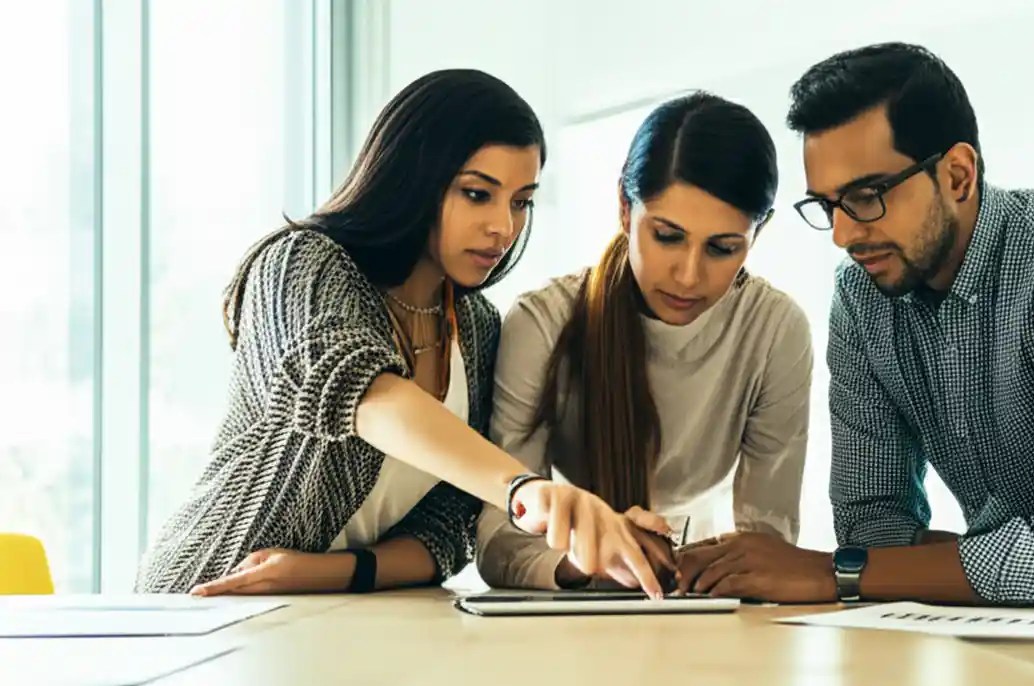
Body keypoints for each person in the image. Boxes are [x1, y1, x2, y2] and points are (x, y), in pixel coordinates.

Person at [677, 43, 1034, 605]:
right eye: (828, 205)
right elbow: (873, 526)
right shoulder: (862, 296)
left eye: (866, 195)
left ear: (958, 175)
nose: (843, 234)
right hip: (1029, 619)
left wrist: (831, 574)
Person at [136, 69, 664, 598]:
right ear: (412, 176)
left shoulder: (477, 327)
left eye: (521, 201)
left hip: (326, 618)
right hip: (200, 596)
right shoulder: (303, 265)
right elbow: (356, 391)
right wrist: (524, 489)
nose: (503, 227)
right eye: (478, 194)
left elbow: (445, 529)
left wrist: (318, 573)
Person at [475, 92, 812, 590]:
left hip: (699, 602)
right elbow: (497, 541)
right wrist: (591, 560)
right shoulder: (541, 325)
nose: (689, 275)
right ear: (624, 210)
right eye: (667, 236)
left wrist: (678, 567)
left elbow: (767, 542)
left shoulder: (776, 331)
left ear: (757, 235)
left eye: (723, 248)